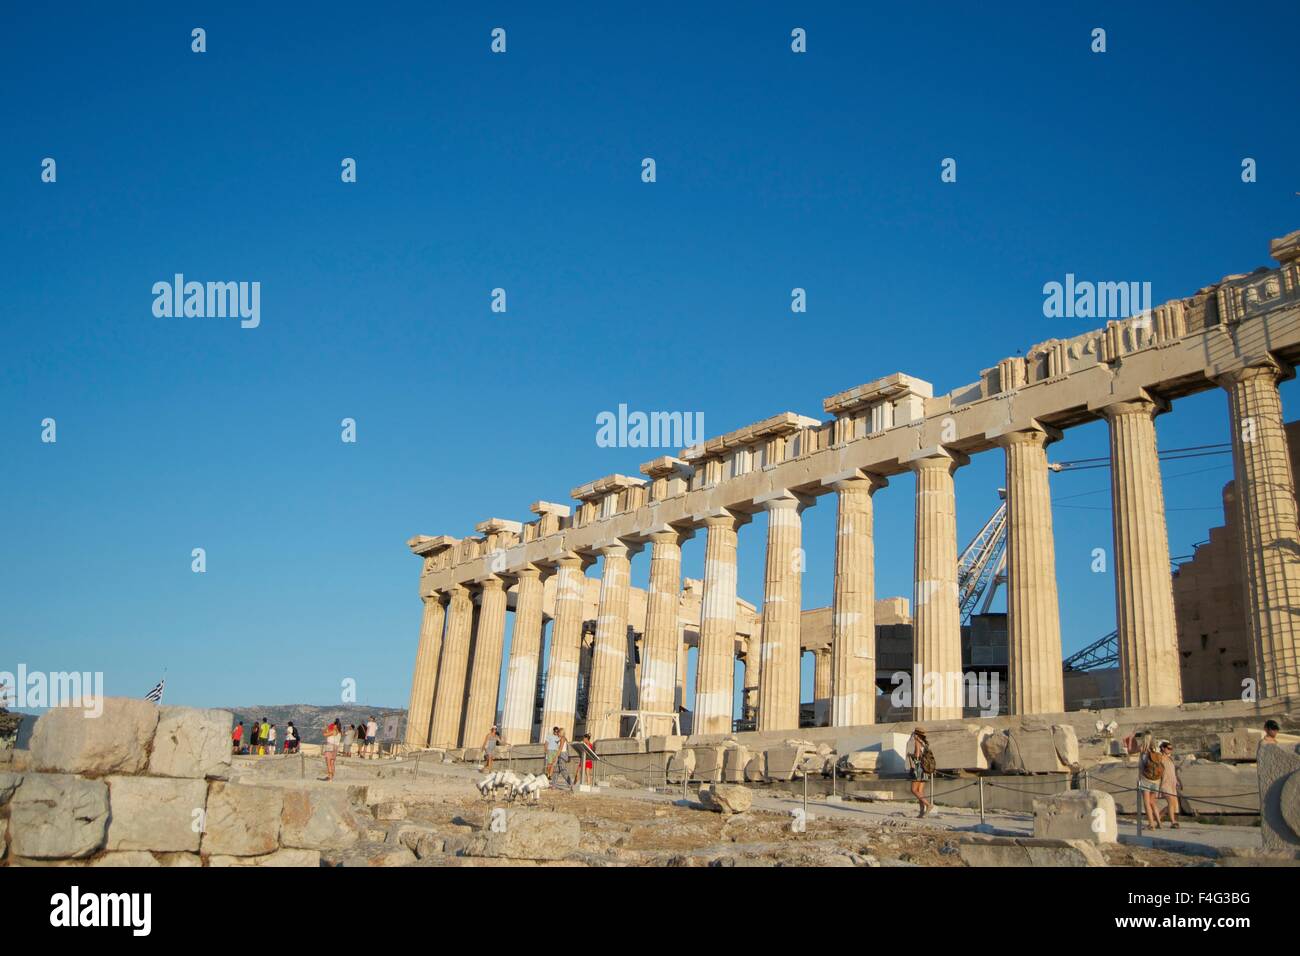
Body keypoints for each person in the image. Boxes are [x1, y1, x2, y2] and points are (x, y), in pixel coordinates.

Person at [906, 726, 935, 818]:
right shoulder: (925, 744)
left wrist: (910, 755)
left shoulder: (917, 742)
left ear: (916, 734)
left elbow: (917, 756)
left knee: (914, 790)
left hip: (918, 768)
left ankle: (928, 805)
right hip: (925, 769)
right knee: (920, 791)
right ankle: (922, 812)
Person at [1137, 737, 1163, 829]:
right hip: (1156, 780)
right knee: (1153, 802)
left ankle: (1151, 824)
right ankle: (1159, 822)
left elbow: (1142, 767)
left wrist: (1139, 779)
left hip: (1146, 779)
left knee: (1146, 802)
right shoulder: (1158, 753)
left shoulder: (1144, 754)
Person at [1157, 740, 1180, 828]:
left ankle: (1157, 818)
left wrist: (1177, 781)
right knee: (1170, 802)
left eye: (1171, 748)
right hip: (1164, 783)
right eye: (1168, 748)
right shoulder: (1160, 757)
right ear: (1163, 748)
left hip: (1172, 784)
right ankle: (1173, 822)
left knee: (1173, 804)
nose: (1170, 750)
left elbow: (1172, 772)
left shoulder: (1170, 759)